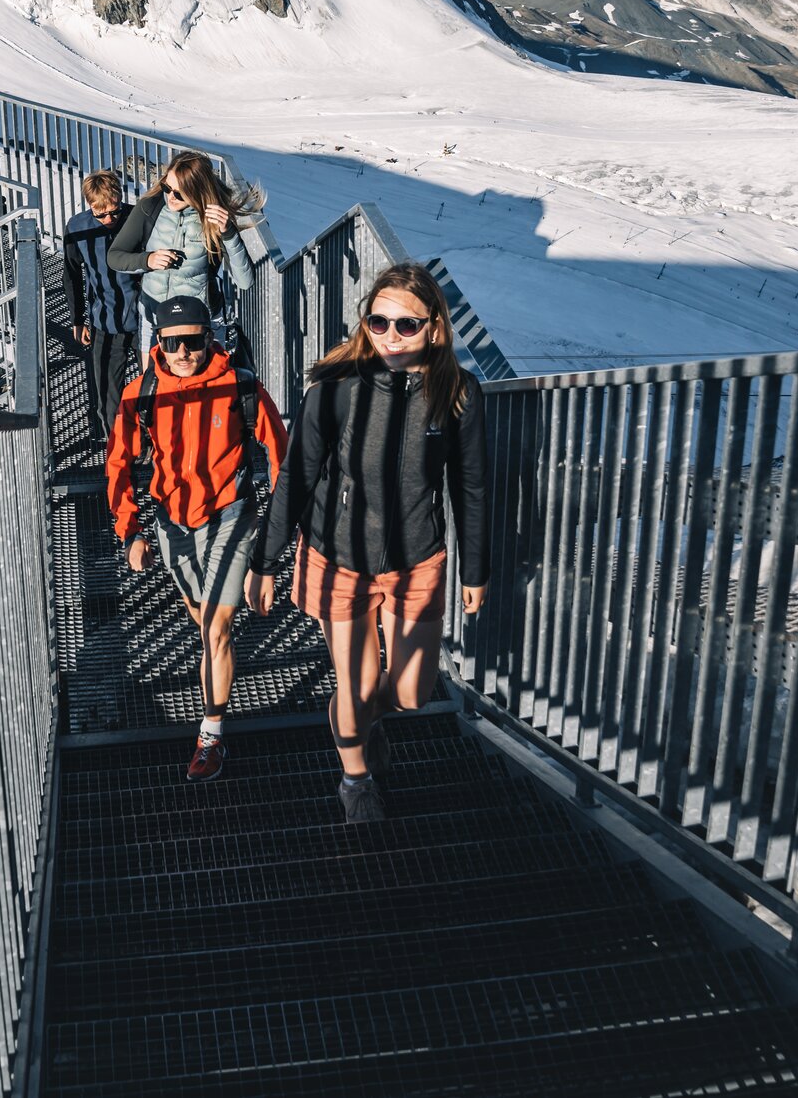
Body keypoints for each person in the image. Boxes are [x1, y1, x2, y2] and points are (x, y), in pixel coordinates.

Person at [258, 261, 486, 823]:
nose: (391, 336)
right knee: (356, 687)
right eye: (378, 322)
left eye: (407, 325)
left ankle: (364, 721)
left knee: (411, 692)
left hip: (417, 561)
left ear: (435, 327)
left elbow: (471, 484)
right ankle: (355, 781)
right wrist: (266, 560)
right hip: (338, 558)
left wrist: (476, 569)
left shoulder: (457, 392)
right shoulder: (335, 390)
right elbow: (296, 477)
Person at [106, 295, 289, 782]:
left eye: (192, 340)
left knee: (215, 629)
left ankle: (210, 737)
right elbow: (118, 463)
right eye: (172, 343)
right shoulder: (141, 393)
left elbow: (281, 454)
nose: (183, 352)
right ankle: (219, 665)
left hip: (232, 514)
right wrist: (130, 530)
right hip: (172, 522)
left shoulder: (241, 386)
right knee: (204, 623)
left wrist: (277, 533)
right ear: (158, 344)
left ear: (209, 338)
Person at [108, 150, 258, 363]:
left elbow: (245, 282)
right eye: (167, 188)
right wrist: (147, 260)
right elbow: (114, 257)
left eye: (179, 193)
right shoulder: (150, 207)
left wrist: (229, 233)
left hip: (199, 325)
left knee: (205, 383)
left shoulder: (213, 220)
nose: (170, 196)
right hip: (155, 317)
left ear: (197, 191)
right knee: (153, 381)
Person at [62, 169, 140, 443]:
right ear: (90, 205)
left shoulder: (137, 218)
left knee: (154, 389)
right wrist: (77, 319)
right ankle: (119, 448)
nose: (109, 219)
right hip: (104, 321)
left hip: (144, 319)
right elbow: (71, 274)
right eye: (101, 214)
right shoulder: (77, 227)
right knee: (108, 396)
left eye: (115, 212)